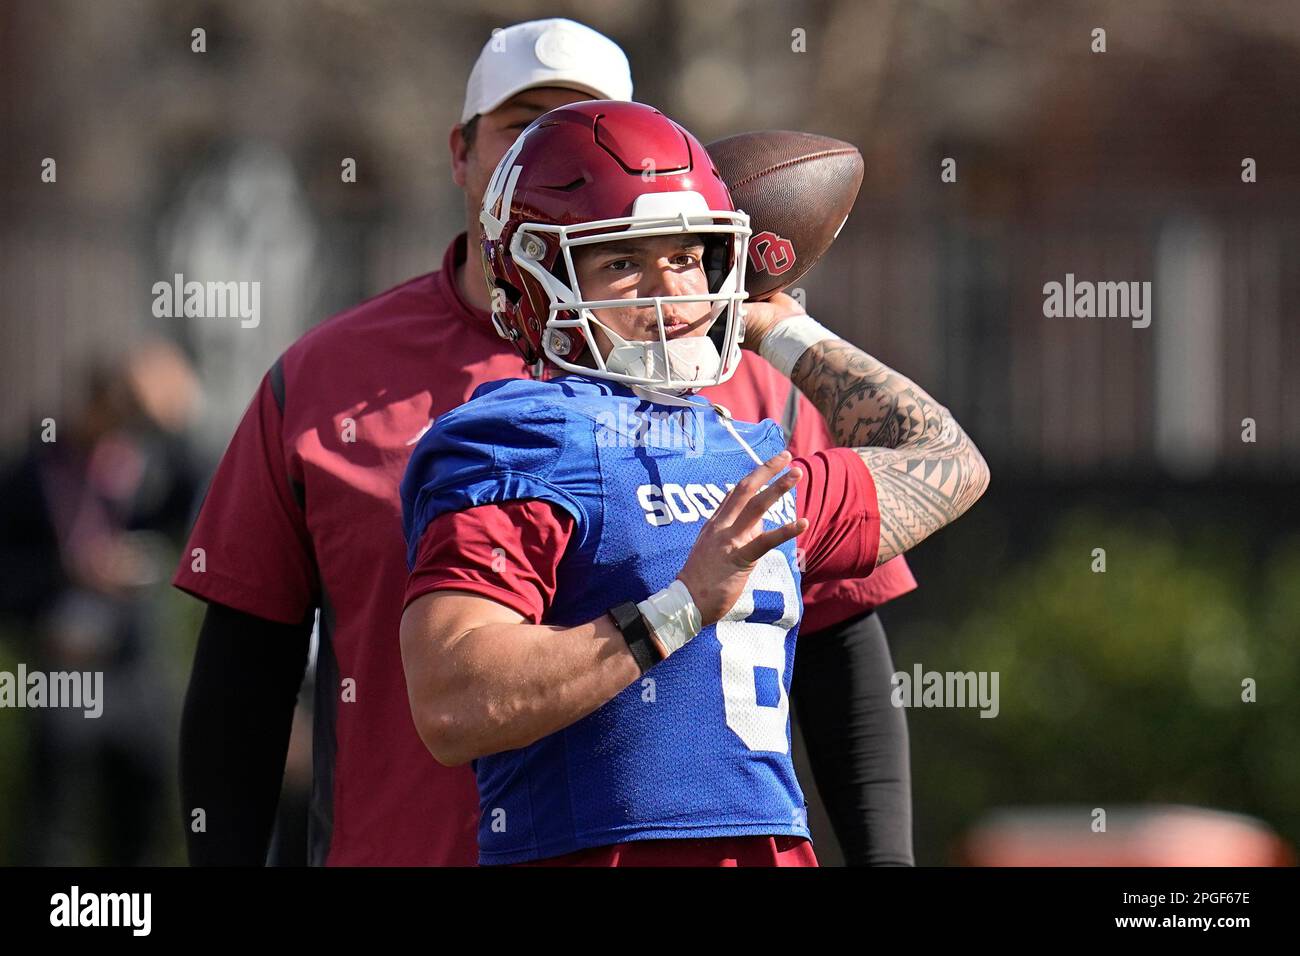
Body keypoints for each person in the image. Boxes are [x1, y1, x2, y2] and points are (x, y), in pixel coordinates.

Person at [175, 17, 914, 867]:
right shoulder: (323, 379)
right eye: (519, 125)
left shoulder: (742, 378)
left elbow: (839, 641)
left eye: (588, 126)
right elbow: (247, 670)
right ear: (460, 152)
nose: (554, 154)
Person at [398, 99, 988, 866]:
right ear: (535, 278)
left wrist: (779, 327)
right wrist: (676, 612)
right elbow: (453, 703)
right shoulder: (518, 437)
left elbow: (945, 457)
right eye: (620, 263)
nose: (664, 294)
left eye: (686, 258)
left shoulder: (752, 454)